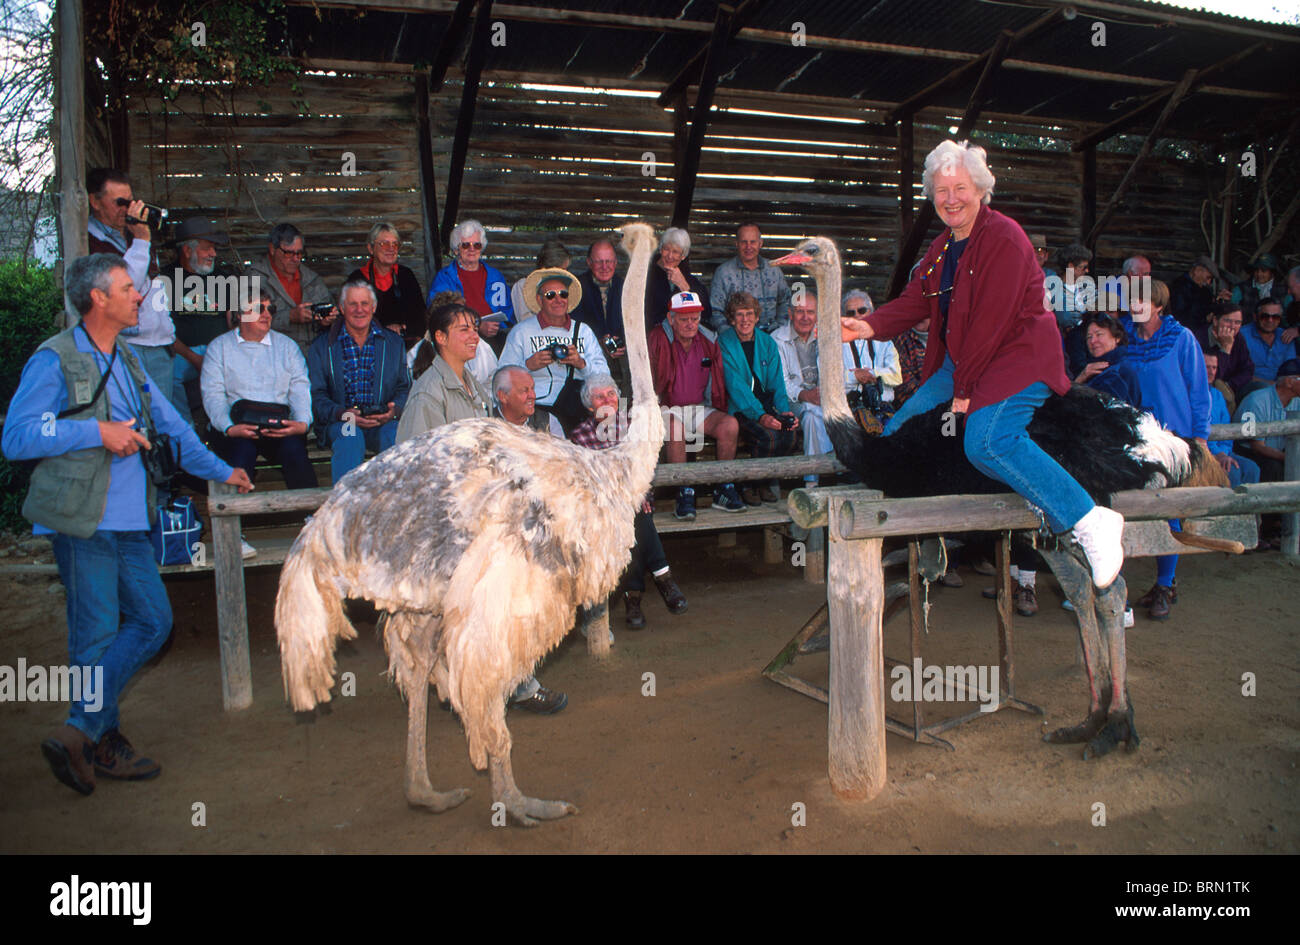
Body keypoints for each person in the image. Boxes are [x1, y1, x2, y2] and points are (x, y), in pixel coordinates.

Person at [1, 254, 253, 796]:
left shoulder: (132, 362)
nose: (138, 296)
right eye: (126, 288)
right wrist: (98, 433)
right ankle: (101, 743)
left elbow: (175, 429)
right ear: (97, 299)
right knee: (94, 636)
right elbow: (17, 437)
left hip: (130, 521)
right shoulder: (55, 359)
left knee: (153, 622)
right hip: (81, 522)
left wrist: (223, 472)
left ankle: (80, 730)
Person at [840, 139, 1126, 592]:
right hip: (964, 360)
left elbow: (992, 322)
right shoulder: (941, 248)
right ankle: (924, 535)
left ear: (980, 189)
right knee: (897, 438)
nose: (951, 198)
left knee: (987, 440)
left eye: (960, 188)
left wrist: (965, 391)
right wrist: (868, 326)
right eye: (941, 190)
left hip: (1017, 358)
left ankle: (1089, 518)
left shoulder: (1006, 238)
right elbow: (916, 300)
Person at [567, 374, 688, 629]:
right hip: (604, 507)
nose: (608, 400)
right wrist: (624, 494)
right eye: (600, 397)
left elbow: (645, 468)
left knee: (635, 518)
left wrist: (634, 492)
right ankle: (663, 578)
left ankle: (633, 600)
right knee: (632, 518)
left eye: (611, 394)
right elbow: (591, 480)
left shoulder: (635, 428)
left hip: (637, 499)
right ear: (590, 406)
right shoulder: (580, 435)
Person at [1121, 280, 1211, 620]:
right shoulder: (1124, 337)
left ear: (1159, 305)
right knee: (1127, 508)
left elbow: (1199, 389)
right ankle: (1118, 586)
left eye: (1143, 300)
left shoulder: (1181, 339)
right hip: (1134, 439)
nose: (1135, 305)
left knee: (1169, 510)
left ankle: (1165, 584)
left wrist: (1200, 438)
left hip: (1174, 440)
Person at [200, 289, 318, 492]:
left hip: (277, 426)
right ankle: (235, 516)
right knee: (240, 454)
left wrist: (302, 423)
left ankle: (312, 517)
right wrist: (228, 427)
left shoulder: (287, 346)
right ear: (240, 315)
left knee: (295, 452)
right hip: (237, 428)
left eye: (270, 309)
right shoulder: (219, 347)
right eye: (258, 308)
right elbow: (213, 394)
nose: (266, 314)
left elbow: (300, 388)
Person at [648, 291, 745, 518]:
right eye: (683, 319)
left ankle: (723, 487)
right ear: (671, 319)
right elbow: (649, 379)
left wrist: (721, 407)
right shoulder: (658, 337)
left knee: (729, 425)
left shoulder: (709, 339)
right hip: (665, 407)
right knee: (675, 428)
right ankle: (684, 491)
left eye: (694, 318)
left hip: (698, 407)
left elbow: (718, 380)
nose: (690, 324)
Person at [308, 279, 410, 483]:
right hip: (342, 422)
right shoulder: (322, 346)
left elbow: (404, 388)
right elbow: (316, 395)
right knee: (350, 437)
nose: (359, 310)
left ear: (374, 307)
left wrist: (393, 410)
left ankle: (392, 506)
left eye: (364, 304)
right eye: (352, 304)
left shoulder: (393, 343)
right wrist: (342, 413)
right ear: (342, 308)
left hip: (381, 421)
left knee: (395, 435)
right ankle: (346, 508)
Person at [85, 168, 175, 397]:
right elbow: (123, 288)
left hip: (157, 345)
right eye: (119, 202)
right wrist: (142, 240)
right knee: (132, 416)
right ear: (95, 202)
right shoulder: (90, 242)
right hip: (126, 344)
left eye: (130, 202)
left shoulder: (132, 233)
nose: (126, 209)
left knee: (160, 421)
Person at [498, 268, 608, 432]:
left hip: (575, 408)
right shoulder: (522, 331)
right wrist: (527, 365)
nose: (558, 300)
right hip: (536, 409)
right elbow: (501, 376)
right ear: (539, 300)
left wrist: (581, 363)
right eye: (550, 295)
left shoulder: (583, 331)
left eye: (563, 294)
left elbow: (605, 377)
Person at [717, 291, 799, 505]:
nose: (745, 320)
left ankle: (761, 479)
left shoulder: (767, 343)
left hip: (766, 405)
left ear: (756, 316)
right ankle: (750, 483)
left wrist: (783, 412)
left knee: (789, 435)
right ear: (732, 318)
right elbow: (735, 387)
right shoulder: (724, 343)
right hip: (740, 408)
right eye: (739, 314)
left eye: (749, 314)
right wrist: (761, 416)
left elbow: (777, 382)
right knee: (768, 436)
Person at [168, 218, 237, 425]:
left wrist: (222, 355)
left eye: (214, 249)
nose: (213, 254)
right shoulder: (165, 279)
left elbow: (233, 323)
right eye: (207, 249)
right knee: (168, 376)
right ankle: (185, 429)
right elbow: (163, 332)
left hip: (218, 351)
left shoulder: (224, 279)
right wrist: (194, 358)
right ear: (188, 251)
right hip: (181, 352)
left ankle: (226, 425)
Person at [396, 300, 492, 442]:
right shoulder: (428, 393)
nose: (475, 337)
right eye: (464, 329)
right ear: (441, 337)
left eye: (475, 330)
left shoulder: (473, 384)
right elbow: (418, 453)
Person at [248, 223, 337, 357]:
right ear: (272, 249)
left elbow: (332, 317)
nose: (296, 259)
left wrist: (326, 321)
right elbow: (246, 321)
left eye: (299, 253)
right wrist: (289, 316)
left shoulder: (311, 279)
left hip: (312, 357)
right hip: (269, 357)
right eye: (289, 253)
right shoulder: (254, 278)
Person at [429, 219, 514, 354]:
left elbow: (508, 313)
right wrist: (477, 326)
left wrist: (497, 327)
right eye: (466, 245)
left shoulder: (495, 276)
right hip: (460, 337)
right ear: (456, 250)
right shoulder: (445, 277)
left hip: (496, 336)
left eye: (477, 245)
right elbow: (440, 314)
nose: (472, 249)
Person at [346, 223, 425, 346]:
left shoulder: (406, 275)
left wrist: (404, 328)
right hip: (369, 346)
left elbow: (420, 315)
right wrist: (385, 330)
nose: (391, 248)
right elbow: (352, 319)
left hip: (405, 346)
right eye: (384, 244)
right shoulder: (357, 280)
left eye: (395, 244)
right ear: (371, 248)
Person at [409, 290, 499, 393]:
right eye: (463, 328)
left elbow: (493, 381)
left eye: (474, 328)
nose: (474, 336)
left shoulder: (480, 346)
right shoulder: (417, 354)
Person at [709, 222, 791, 334]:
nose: (748, 247)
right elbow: (714, 311)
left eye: (753, 242)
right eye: (744, 242)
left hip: (772, 338)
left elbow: (786, 301)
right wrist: (730, 337)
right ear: (737, 243)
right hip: (736, 341)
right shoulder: (723, 273)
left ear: (760, 243)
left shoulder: (774, 270)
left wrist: (779, 330)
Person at [573, 238, 630, 398]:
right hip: (589, 348)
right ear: (589, 262)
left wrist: (618, 343)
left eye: (609, 261)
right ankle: (596, 415)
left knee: (629, 375)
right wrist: (598, 341)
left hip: (620, 349)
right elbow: (573, 323)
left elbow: (635, 323)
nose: (605, 267)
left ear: (616, 262)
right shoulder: (577, 288)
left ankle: (622, 413)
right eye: (599, 262)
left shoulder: (625, 287)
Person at [1233, 357, 1300, 484]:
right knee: (1273, 467)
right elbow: (1257, 446)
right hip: (1250, 452)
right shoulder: (1256, 400)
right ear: (1289, 382)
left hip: (1281, 451)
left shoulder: (1297, 401)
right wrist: (1289, 458)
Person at [1203, 347, 1259, 489]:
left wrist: (1225, 452)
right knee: (1232, 471)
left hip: (1224, 451)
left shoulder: (1218, 395)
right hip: (1203, 452)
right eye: (1207, 367)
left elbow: (1228, 430)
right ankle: (1231, 511)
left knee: (1252, 469)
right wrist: (1218, 454)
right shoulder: (1190, 394)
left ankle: (1249, 512)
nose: (1211, 372)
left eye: (1214, 368)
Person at [645, 227, 707, 329]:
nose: (670, 256)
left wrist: (684, 286)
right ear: (660, 249)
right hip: (655, 334)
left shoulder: (688, 278)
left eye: (675, 252)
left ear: (683, 256)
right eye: (666, 249)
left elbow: (705, 312)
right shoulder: (647, 275)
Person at [1073, 313, 1141, 405]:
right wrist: (1081, 377)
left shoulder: (1117, 373)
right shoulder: (1095, 369)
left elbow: (1093, 412)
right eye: (1089, 337)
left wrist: (1078, 383)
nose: (1092, 341)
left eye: (1099, 334)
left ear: (1117, 337)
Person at [1199, 301, 1254, 411]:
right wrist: (1226, 349)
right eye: (1228, 321)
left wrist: (1230, 385)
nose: (1233, 327)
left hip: (1233, 387)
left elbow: (1248, 369)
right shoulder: (1200, 338)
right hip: (1206, 390)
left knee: (1259, 389)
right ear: (1215, 320)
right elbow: (1213, 377)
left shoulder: (1238, 338)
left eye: (1237, 322)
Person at [1239, 298, 1298, 393]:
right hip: (1251, 388)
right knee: (1263, 388)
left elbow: (1290, 371)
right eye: (1265, 316)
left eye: (1275, 317)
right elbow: (1239, 373)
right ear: (1255, 316)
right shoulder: (1242, 335)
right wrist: (1273, 386)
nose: (1270, 320)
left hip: (1281, 389)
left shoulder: (1286, 336)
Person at [492, 365, 563, 437]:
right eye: (524, 391)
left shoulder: (548, 421)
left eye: (532, 388)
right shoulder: (486, 423)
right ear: (503, 396)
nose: (533, 396)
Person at [510, 238, 571, 322]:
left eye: (566, 269)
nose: (566, 273)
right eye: (563, 270)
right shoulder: (523, 286)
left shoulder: (566, 287)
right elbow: (524, 320)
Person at [1170, 255, 1230, 333]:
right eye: (1208, 277)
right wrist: (1205, 318)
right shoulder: (1179, 286)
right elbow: (1181, 315)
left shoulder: (1204, 290)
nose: (1208, 282)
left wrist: (1217, 299)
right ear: (1197, 271)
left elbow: (1207, 307)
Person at [1231, 252, 1288, 322]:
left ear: (1272, 272)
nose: (1259, 274)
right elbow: (1232, 310)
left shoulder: (1283, 291)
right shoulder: (1241, 288)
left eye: (1263, 271)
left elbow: (1286, 315)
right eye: (1256, 270)